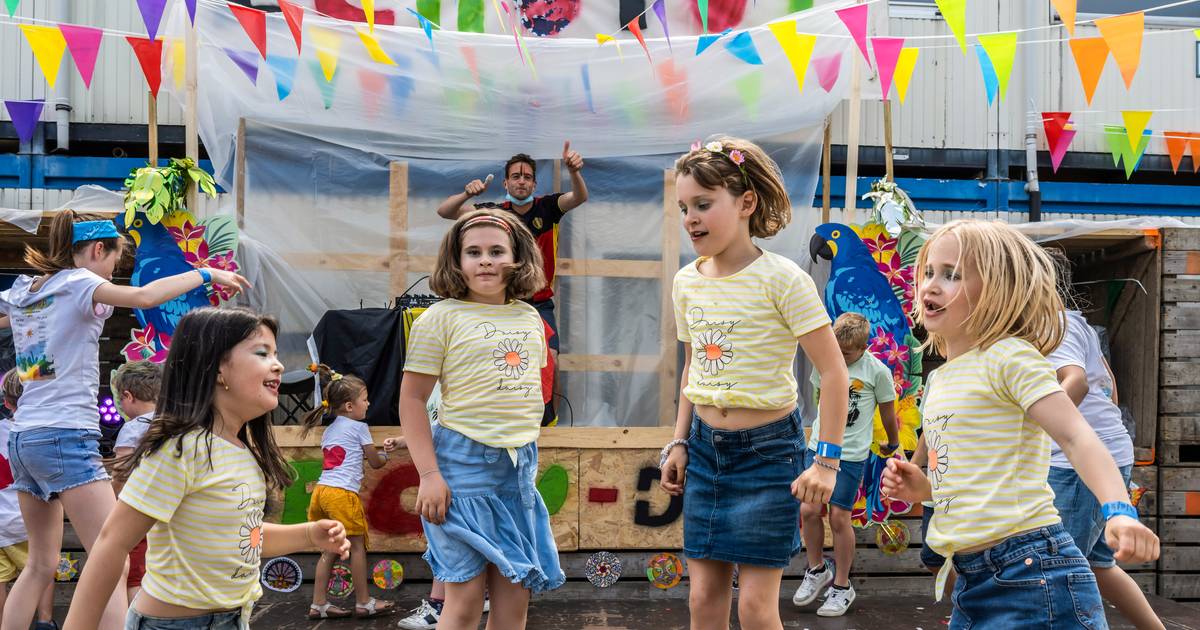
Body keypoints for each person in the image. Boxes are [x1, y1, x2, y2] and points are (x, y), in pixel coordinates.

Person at [881, 220, 1159, 628]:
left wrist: (1118, 510)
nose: (930, 285)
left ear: (997, 290)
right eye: (927, 272)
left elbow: (1076, 435)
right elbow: (972, 477)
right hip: (973, 579)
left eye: (952, 275)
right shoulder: (941, 379)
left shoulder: (1010, 357)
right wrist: (924, 488)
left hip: (1032, 573)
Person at [0, 211, 249, 630]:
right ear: (99, 250)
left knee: (40, 566)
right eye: (115, 263)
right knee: (109, 559)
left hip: (23, 437)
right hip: (64, 434)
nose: (114, 274)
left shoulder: (26, 289)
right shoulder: (80, 282)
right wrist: (204, 273)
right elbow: (147, 297)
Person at [659, 137, 849, 630]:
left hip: (768, 457)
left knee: (756, 609)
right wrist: (679, 441)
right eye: (684, 207)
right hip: (703, 453)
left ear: (746, 203)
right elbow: (692, 367)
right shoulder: (687, 281)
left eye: (703, 204)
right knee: (702, 600)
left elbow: (833, 372)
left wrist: (826, 463)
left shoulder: (783, 279)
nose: (690, 218)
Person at [63, 307, 350, 629]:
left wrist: (309, 534)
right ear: (216, 370)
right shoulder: (181, 449)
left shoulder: (241, 451)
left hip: (234, 617)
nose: (279, 364)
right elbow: (111, 543)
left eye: (276, 353)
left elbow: (239, 536)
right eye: (261, 352)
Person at [400, 208, 564, 630]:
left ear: (518, 259)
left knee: (514, 596)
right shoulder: (440, 318)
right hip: (460, 470)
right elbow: (412, 399)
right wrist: (429, 474)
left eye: (496, 251)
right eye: (473, 252)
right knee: (465, 597)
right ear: (456, 262)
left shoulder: (530, 318)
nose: (486, 260)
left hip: (517, 471)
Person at [1044, 253, 1164, 630]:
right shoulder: (1077, 325)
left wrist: (1040, 426)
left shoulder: (1053, 325)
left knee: (1061, 570)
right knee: (1096, 564)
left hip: (1074, 461)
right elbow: (1107, 385)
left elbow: (1075, 383)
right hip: (1108, 447)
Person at [435, 144, 588, 425]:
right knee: (498, 357)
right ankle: (496, 417)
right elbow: (445, 211)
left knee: (548, 357)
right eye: (515, 176)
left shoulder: (547, 207)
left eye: (527, 176)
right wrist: (468, 193)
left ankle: (547, 423)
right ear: (505, 182)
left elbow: (580, 196)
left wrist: (574, 172)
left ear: (533, 183)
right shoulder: (496, 212)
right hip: (501, 302)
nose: (521, 181)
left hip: (539, 301)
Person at [794, 312, 898, 616]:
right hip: (818, 449)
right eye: (836, 350)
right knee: (808, 510)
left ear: (863, 348)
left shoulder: (876, 372)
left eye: (847, 353)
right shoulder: (825, 362)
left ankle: (842, 586)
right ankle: (817, 569)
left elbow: (888, 412)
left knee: (839, 517)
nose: (839, 357)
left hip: (850, 455)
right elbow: (818, 398)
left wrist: (892, 442)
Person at [301, 364, 400, 619]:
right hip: (342, 495)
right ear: (349, 406)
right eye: (365, 400)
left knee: (330, 550)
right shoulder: (359, 428)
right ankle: (364, 602)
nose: (368, 404)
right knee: (357, 548)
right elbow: (375, 462)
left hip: (322, 492)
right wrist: (385, 455)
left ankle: (318, 604)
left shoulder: (330, 429)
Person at [0, 369, 56, 630]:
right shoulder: (42, 432)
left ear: (6, 402)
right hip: (28, 520)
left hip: (0, 521)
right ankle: (45, 622)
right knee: (43, 570)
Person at [109, 360, 162, 603]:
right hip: (166, 512)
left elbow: (121, 472)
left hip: (137, 511)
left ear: (128, 396)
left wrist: (114, 498)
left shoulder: (132, 429)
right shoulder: (171, 425)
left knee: (135, 575)